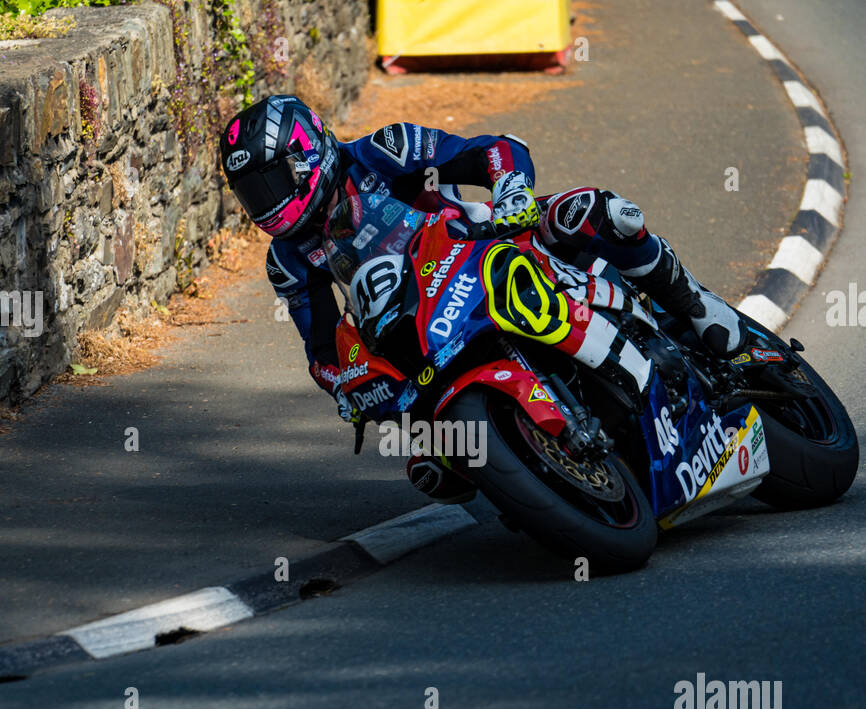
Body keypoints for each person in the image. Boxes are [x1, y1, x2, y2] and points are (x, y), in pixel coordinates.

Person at [219, 94, 748, 499]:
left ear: (306, 151)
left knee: (597, 211)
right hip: (420, 329)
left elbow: (494, 151)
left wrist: (510, 190)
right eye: (253, 193)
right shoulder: (287, 261)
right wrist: (348, 389)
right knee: (429, 463)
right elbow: (323, 353)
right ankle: (529, 463)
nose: (268, 202)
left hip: (493, 245)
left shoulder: (385, 152)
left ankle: (697, 305)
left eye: (274, 181)